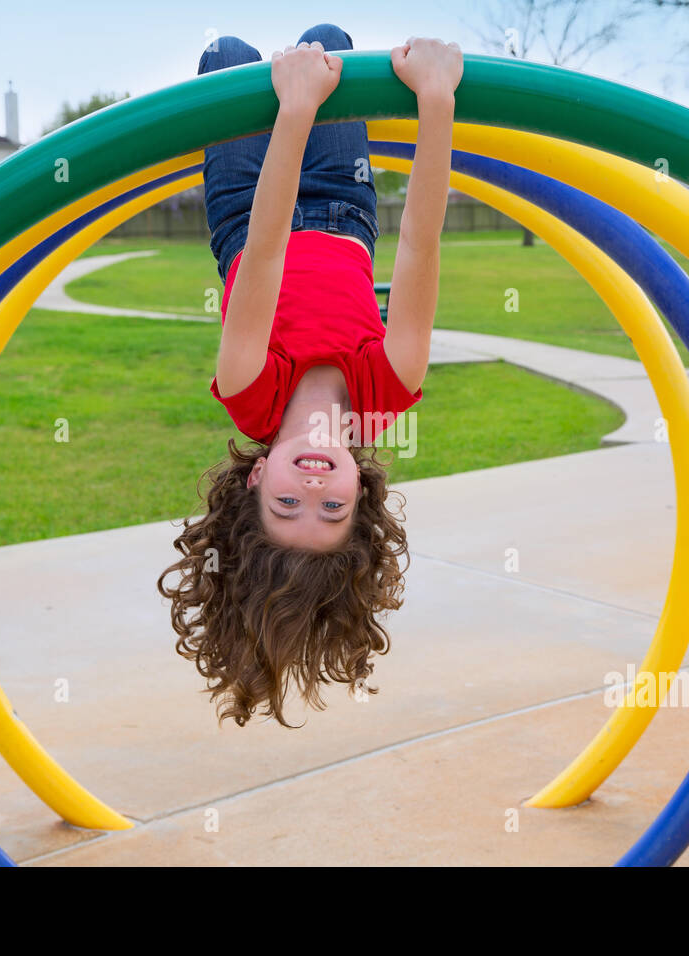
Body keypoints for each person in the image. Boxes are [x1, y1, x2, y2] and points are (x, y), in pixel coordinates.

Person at [159, 24, 462, 727]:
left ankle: (281, 88)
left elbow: (263, 258)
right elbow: (420, 243)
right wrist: (436, 100)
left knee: (227, 57)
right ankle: (306, 80)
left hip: (243, 210)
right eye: (333, 510)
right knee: (328, 42)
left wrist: (296, 111)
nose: (316, 489)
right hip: (342, 204)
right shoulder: (391, 389)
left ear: (257, 480)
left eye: (289, 506)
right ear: (363, 490)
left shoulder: (247, 393)